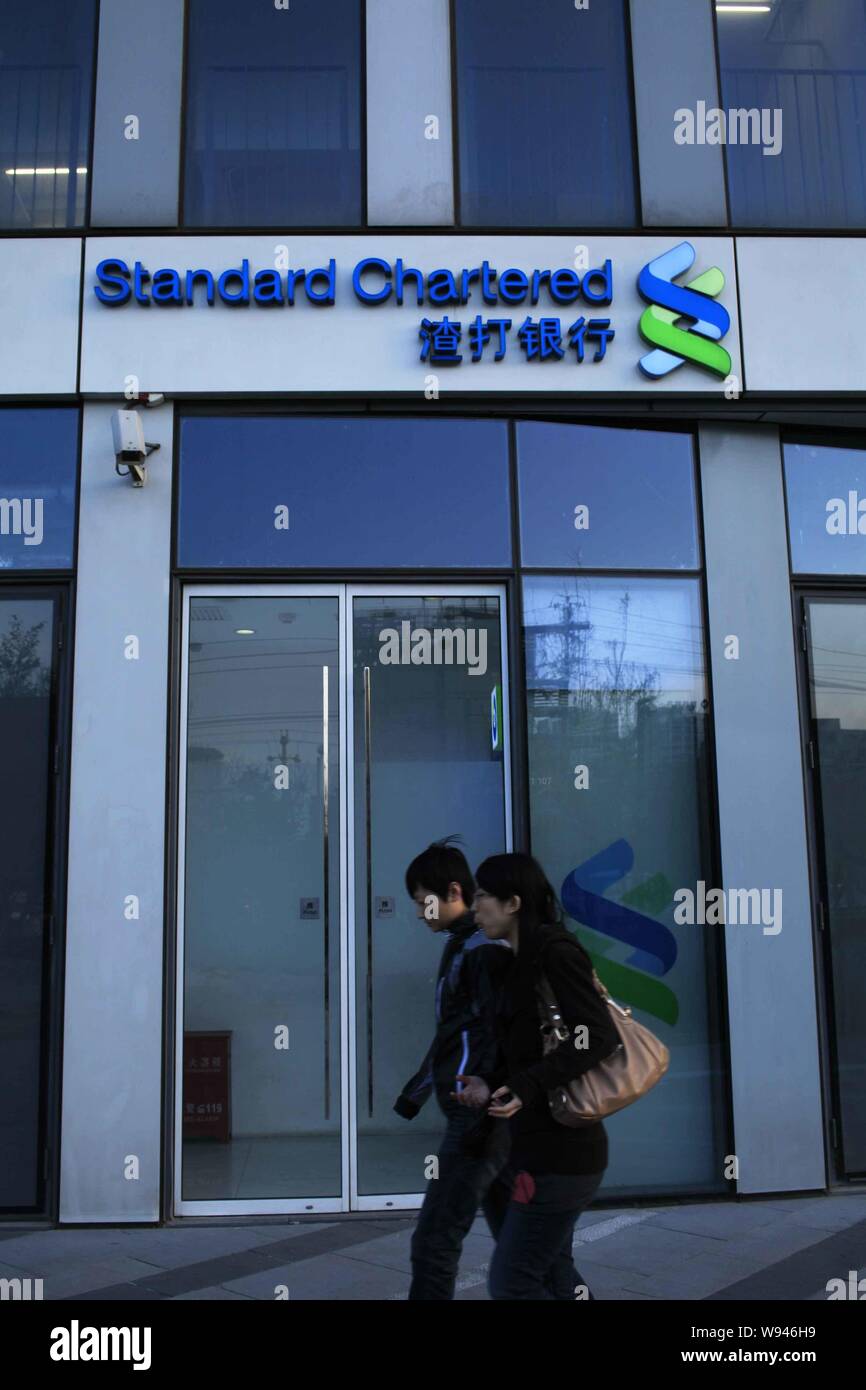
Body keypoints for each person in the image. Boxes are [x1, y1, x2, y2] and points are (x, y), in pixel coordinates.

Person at [454, 852, 620, 1301]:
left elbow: (595, 1036)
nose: (475, 906)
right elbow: (529, 1050)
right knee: (547, 1272)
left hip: (564, 1153)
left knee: (513, 1281)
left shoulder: (554, 952)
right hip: (527, 1152)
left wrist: (527, 1086)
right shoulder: (518, 962)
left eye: (484, 896)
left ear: (513, 903)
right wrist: (491, 1083)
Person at [394, 838, 512, 1300]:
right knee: (523, 1243)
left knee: (434, 1240)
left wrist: (476, 1094)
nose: (419, 912)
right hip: (489, 1114)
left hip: (478, 1117)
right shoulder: (464, 944)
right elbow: (453, 1032)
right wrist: (417, 1093)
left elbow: (491, 1034)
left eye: (423, 901)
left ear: (454, 890)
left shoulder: (481, 950)